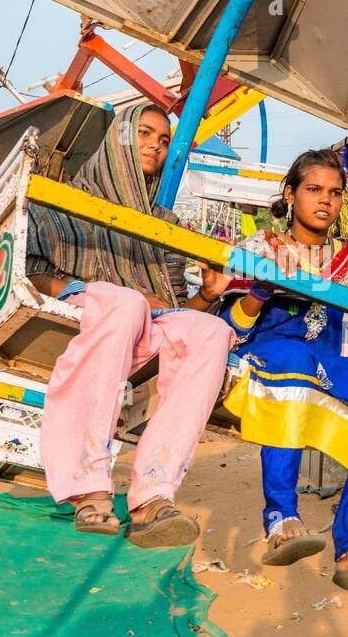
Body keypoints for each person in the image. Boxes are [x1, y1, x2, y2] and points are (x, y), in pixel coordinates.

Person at [28, 102, 234, 548]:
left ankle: (153, 495)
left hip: (148, 326)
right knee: (122, 302)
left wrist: (210, 296)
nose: (154, 146)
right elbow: (31, 266)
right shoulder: (59, 203)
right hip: (85, 308)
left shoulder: (165, 227)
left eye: (163, 141)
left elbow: (179, 307)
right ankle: (88, 485)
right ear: (118, 139)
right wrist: (99, 288)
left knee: (213, 332)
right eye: (143, 134)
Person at [220, 149, 348, 592]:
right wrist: (259, 293)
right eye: (313, 190)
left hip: (327, 365)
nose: (324, 200)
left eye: (334, 193)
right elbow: (229, 327)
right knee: (294, 362)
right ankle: (281, 516)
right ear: (289, 194)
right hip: (265, 360)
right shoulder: (257, 251)